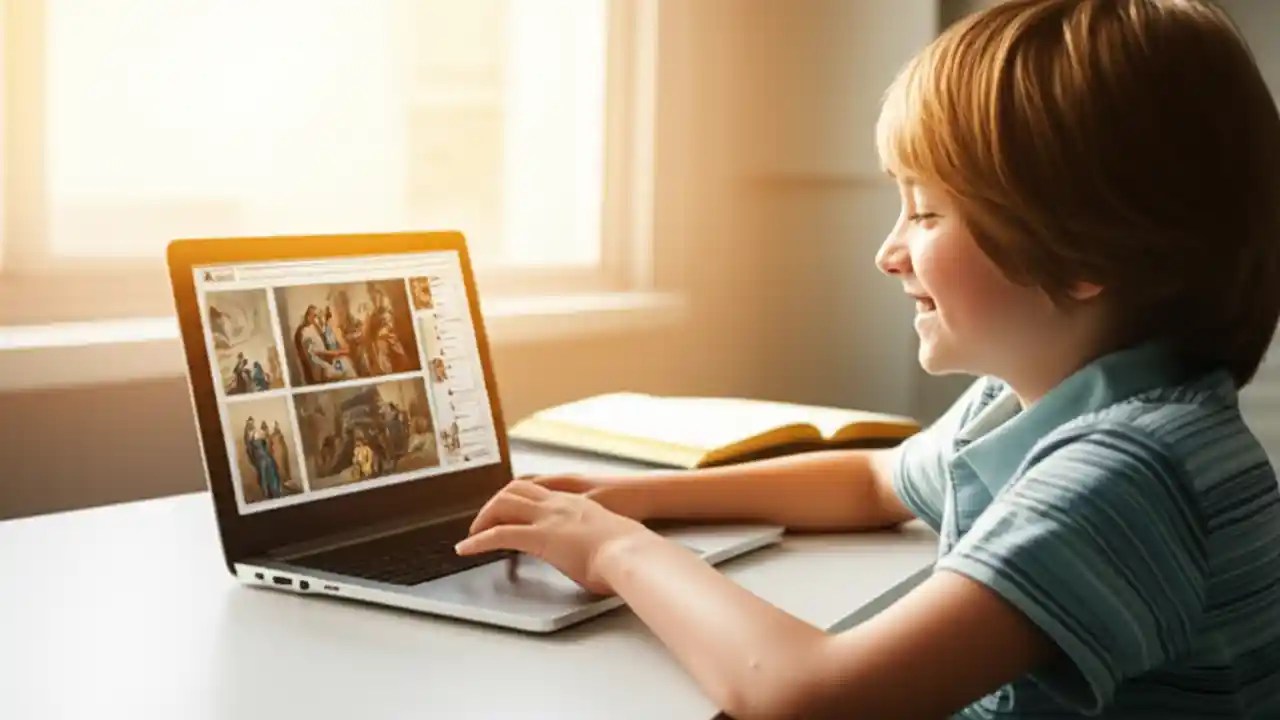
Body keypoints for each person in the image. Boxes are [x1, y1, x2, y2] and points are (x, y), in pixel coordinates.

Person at [455, 2, 1280, 717]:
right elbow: (874, 481)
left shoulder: (1130, 472)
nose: (888, 251)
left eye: (925, 212)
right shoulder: (1038, 401)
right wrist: (633, 497)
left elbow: (813, 695)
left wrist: (615, 551)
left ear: (1081, 254)